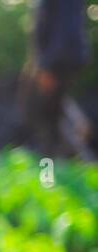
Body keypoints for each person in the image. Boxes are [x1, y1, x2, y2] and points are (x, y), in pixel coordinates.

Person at [20, 0, 92, 155]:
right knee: (53, 104)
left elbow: (65, 28)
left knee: (47, 114)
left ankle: (76, 158)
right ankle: (78, 124)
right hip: (63, 57)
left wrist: (47, 66)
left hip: (57, 60)